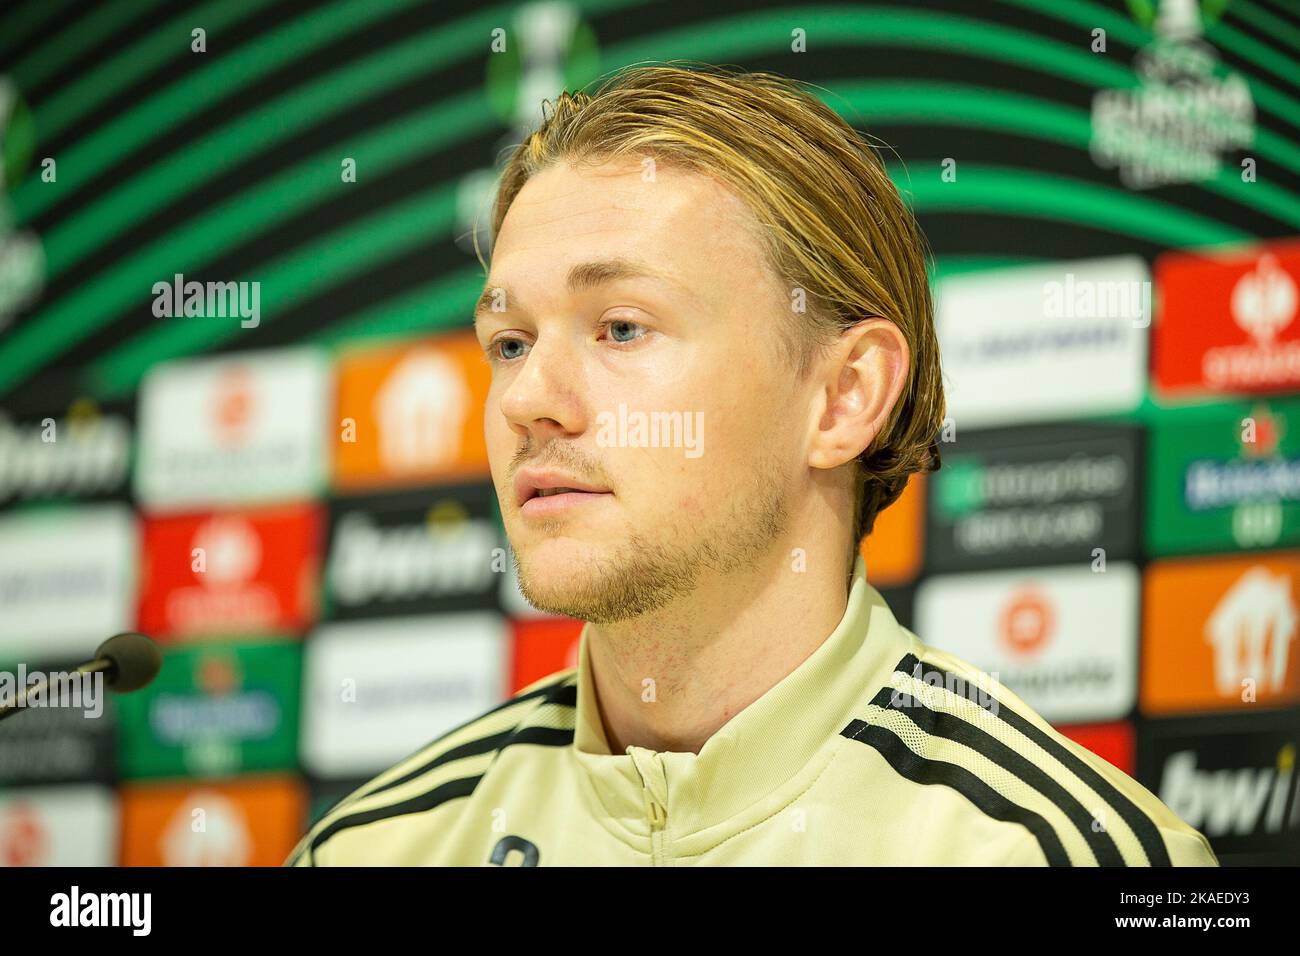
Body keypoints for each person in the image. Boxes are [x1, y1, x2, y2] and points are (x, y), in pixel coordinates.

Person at [288, 63, 1216, 866]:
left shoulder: (1059, 854)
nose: (529, 398)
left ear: (845, 395)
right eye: (510, 341)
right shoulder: (373, 847)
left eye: (621, 327)